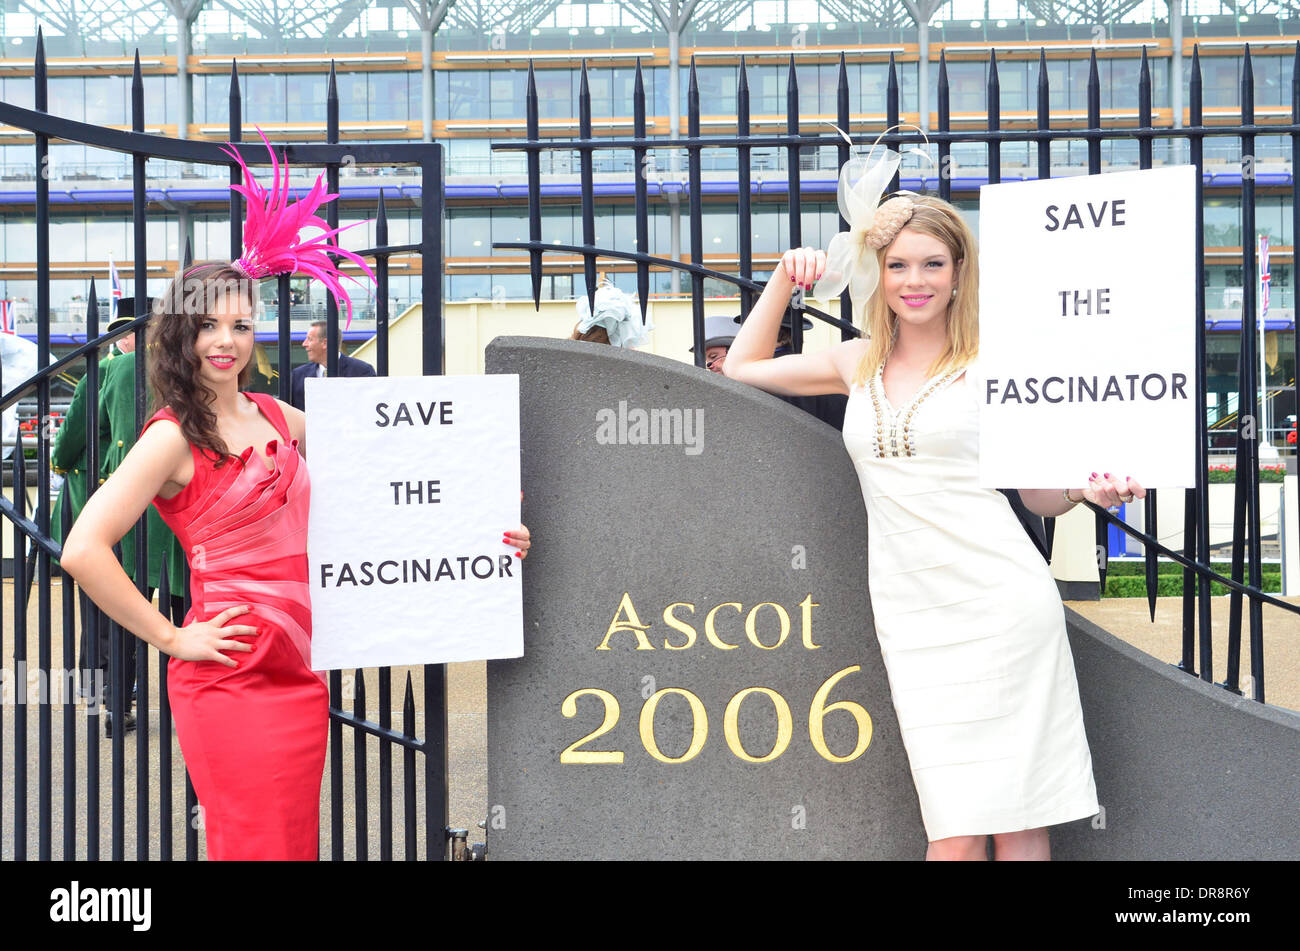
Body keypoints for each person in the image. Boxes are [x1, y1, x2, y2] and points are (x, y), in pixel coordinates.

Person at [61, 132, 532, 859]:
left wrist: (488, 524)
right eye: (209, 324)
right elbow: (82, 549)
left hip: (301, 673)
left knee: (291, 846)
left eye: (241, 324)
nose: (227, 340)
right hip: (228, 675)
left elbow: (396, 470)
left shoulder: (280, 415)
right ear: (181, 332)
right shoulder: (171, 435)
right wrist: (173, 636)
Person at [724, 192, 1142, 861]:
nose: (914, 281)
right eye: (897, 265)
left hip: (1003, 605)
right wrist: (784, 276)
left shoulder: (994, 364)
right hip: (912, 616)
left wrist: (1084, 488)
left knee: (1017, 820)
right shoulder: (852, 361)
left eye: (931, 264)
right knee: (951, 825)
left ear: (957, 272)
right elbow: (740, 366)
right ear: (876, 272)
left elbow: (1035, 495)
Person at [290, 320, 375, 411]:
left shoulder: (361, 371)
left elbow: (369, 408)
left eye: (309, 339)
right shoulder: (297, 375)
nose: (304, 344)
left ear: (325, 343)